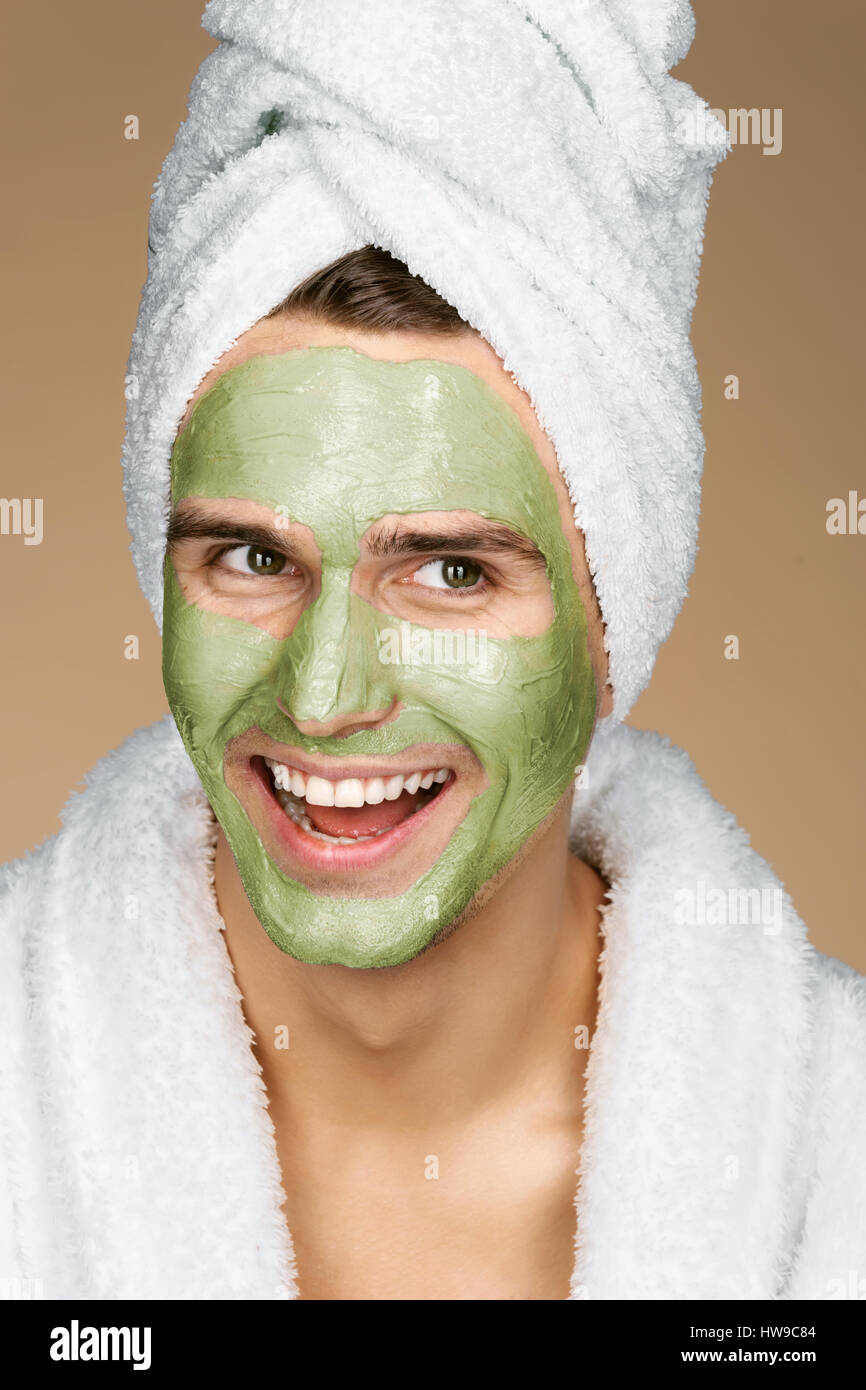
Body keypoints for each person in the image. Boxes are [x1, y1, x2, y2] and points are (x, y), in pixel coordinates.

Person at [1, 0, 864, 1302]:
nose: (326, 695)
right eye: (250, 559)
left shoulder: (832, 1156)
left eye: (449, 570)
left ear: (608, 611)